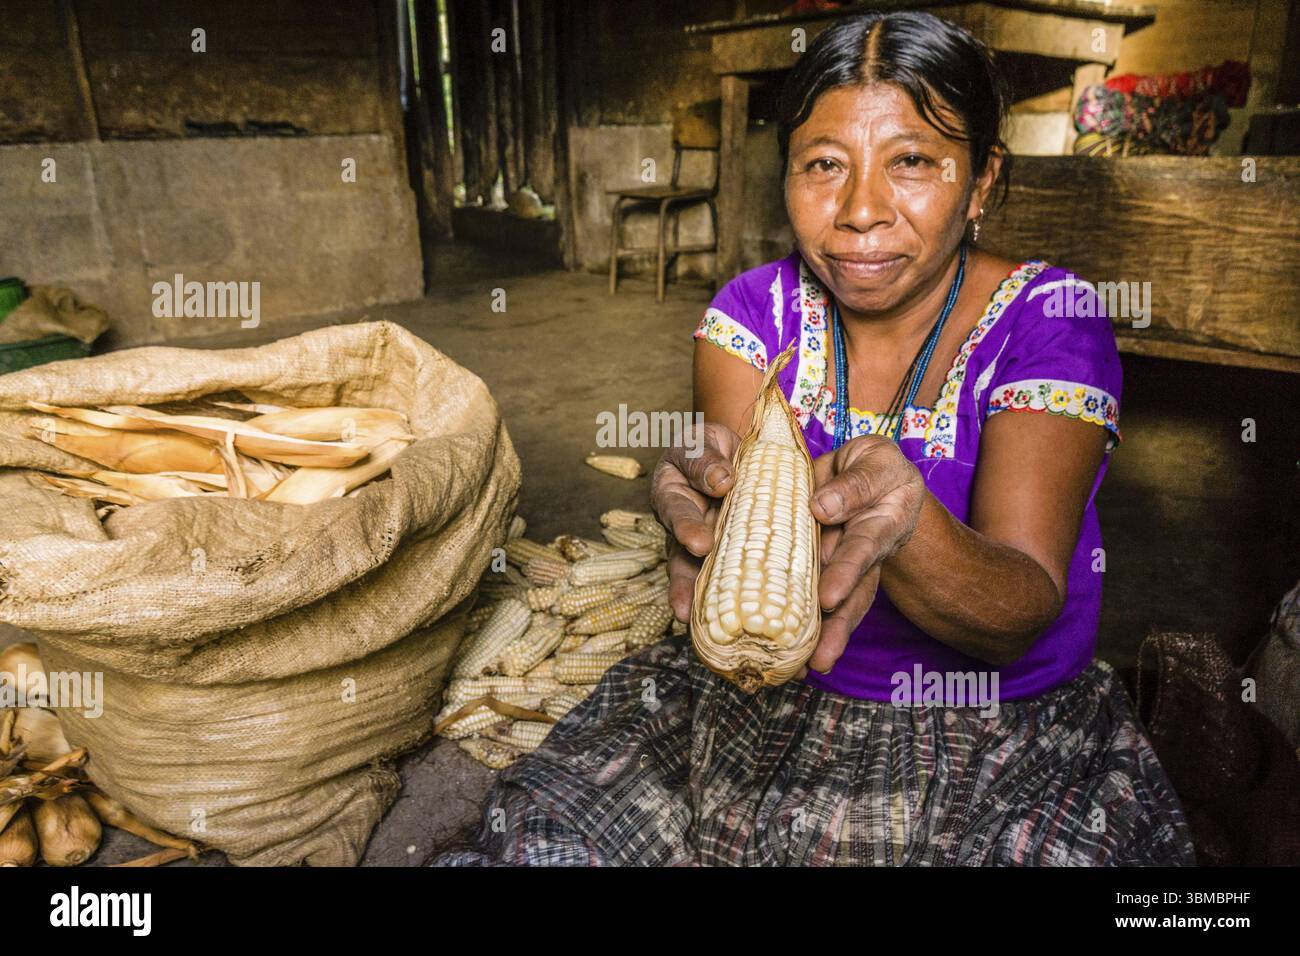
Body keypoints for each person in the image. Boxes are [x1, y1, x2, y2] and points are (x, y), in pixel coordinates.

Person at [433, 10, 1194, 866]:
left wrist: (908, 525)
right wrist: (710, 514)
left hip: (995, 724)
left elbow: (1017, 612)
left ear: (982, 181)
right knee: (539, 838)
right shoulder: (751, 319)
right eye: (823, 165)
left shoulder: (1053, 320)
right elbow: (731, 516)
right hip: (763, 700)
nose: (861, 211)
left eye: (912, 162)